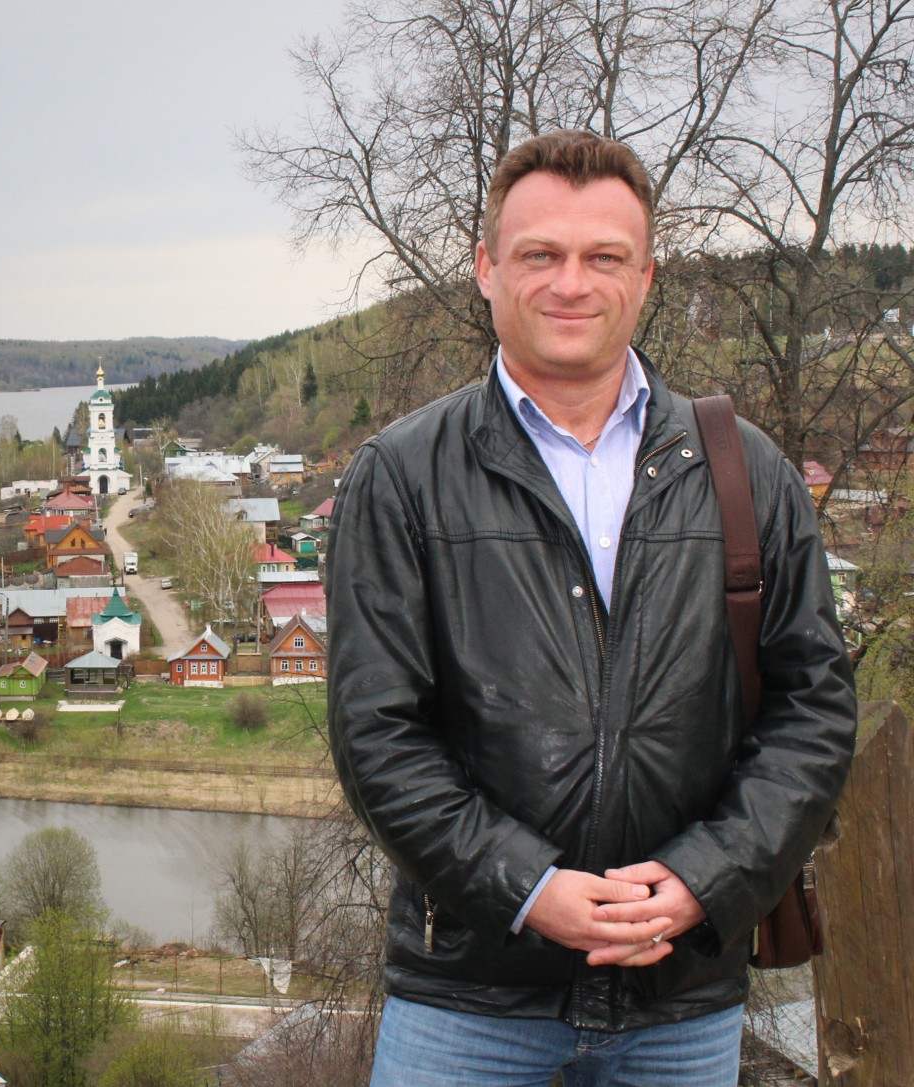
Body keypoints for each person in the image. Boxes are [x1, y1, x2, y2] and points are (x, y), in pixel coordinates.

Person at [326, 129, 857, 1086]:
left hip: (680, 1000)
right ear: (487, 269)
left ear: (645, 276)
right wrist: (527, 889)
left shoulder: (745, 472)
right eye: (540, 254)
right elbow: (377, 732)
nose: (571, 283)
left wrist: (703, 879)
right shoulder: (402, 475)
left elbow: (812, 711)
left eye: (604, 257)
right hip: (468, 1003)